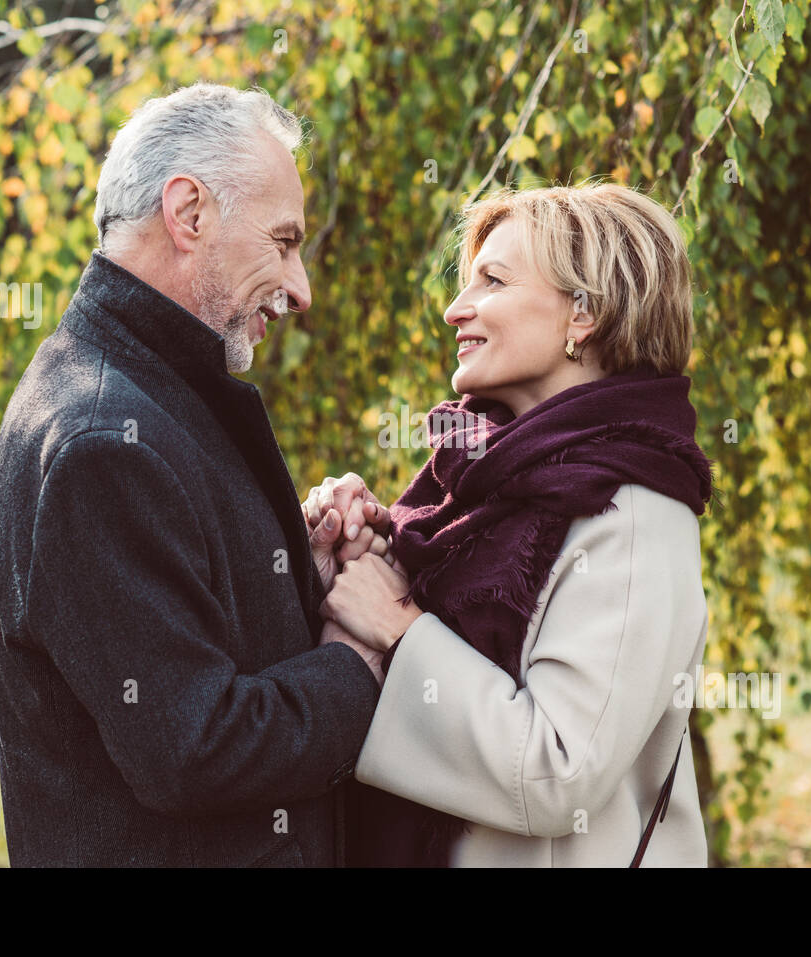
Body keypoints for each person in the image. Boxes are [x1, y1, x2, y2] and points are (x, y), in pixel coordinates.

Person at [0, 84, 389, 866]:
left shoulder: (151, 391)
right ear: (189, 213)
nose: (301, 289)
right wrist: (359, 663)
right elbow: (192, 741)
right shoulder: (101, 439)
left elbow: (180, 632)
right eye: (285, 240)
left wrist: (304, 574)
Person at [304, 182, 714, 866]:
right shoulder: (476, 482)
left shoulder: (637, 513)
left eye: (491, 281)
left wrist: (402, 626)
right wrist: (355, 553)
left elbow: (560, 772)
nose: (453, 309)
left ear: (583, 314)